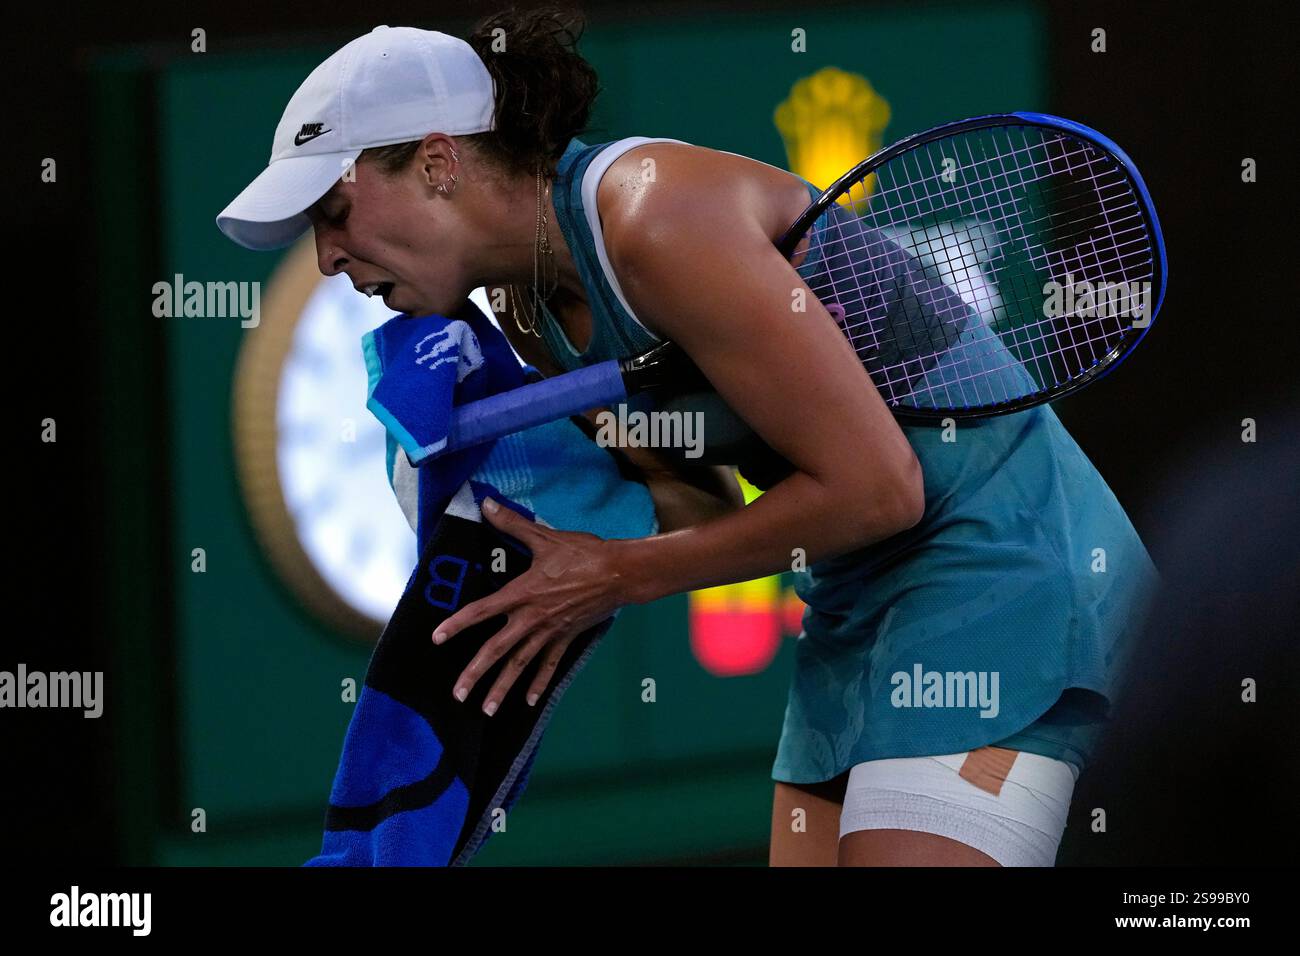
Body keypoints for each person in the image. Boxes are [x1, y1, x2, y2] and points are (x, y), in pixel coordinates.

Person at [216, 9, 1158, 866]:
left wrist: (615, 574)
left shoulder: (651, 217)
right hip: (855, 599)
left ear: (435, 161)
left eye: (334, 213)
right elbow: (696, 500)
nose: (328, 257)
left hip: (1001, 558)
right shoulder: (526, 309)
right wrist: (506, 522)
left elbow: (880, 488)